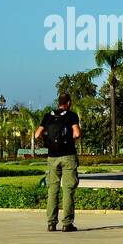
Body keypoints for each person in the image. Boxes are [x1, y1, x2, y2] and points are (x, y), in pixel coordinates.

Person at [34, 92, 81, 232]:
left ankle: (51, 223)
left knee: (52, 189)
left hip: (52, 157)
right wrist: (70, 139)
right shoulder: (71, 115)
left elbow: (37, 134)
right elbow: (77, 133)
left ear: (58, 102)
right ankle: (67, 223)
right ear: (69, 102)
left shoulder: (48, 116)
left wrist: (48, 137)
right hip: (68, 156)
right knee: (68, 189)